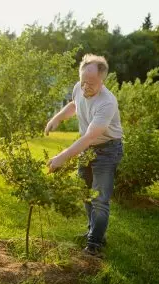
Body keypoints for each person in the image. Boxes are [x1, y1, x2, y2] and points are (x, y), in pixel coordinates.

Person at [45, 54, 123, 256]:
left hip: (107, 149)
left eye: (92, 83)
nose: (86, 87)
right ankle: (94, 232)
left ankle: (94, 245)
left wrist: (62, 157)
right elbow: (74, 104)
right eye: (83, 81)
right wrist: (58, 118)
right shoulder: (79, 87)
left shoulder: (107, 102)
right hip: (87, 149)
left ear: (102, 80)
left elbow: (89, 137)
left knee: (99, 198)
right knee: (85, 193)